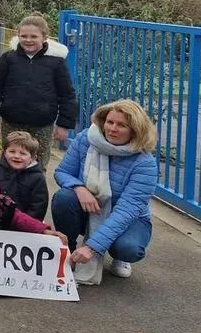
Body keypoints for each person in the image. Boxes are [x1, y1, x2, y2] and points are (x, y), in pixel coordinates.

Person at [52, 100, 157, 282]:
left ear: (135, 129)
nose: (112, 129)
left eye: (122, 125)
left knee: (128, 248)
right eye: (110, 122)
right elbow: (62, 172)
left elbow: (127, 211)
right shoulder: (86, 139)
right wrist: (79, 188)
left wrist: (92, 247)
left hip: (129, 218)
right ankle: (68, 251)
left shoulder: (145, 163)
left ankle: (119, 257)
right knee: (63, 197)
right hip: (90, 208)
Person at [0, 13, 78, 169]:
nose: (28, 40)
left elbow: (67, 95)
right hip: (12, 121)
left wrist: (64, 125)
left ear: (44, 37)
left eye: (34, 36)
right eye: (23, 36)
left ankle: (34, 192)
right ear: (18, 35)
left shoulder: (56, 63)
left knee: (37, 164)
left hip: (42, 124)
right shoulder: (8, 59)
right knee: (11, 160)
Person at [0, 131, 49, 221]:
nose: (17, 156)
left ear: (33, 158)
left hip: (25, 224)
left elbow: (38, 206)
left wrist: (28, 224)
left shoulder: (38, 178)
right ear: (4, 153)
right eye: (12, 151)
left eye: (23, 153)